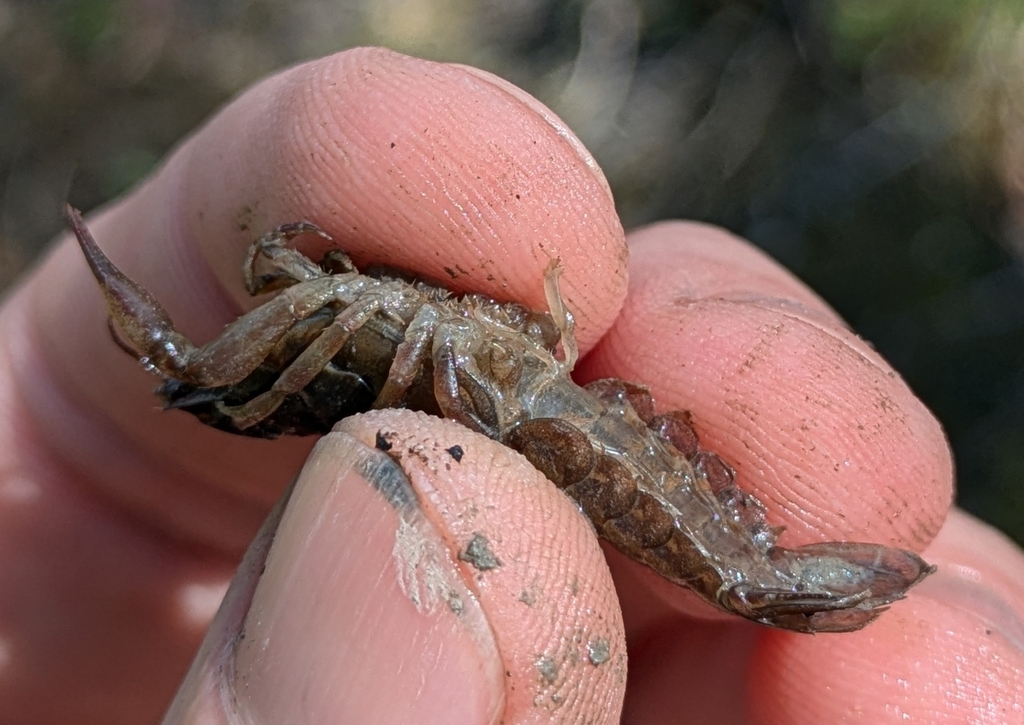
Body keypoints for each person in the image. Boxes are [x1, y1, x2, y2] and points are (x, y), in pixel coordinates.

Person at [1, 48, 1020, 725]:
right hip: (520, 399)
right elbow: (255, 357)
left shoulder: (353, 327)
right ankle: (759, 575)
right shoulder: (349, 336)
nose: (278, 270)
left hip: (532, 404)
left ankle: (759, 573)